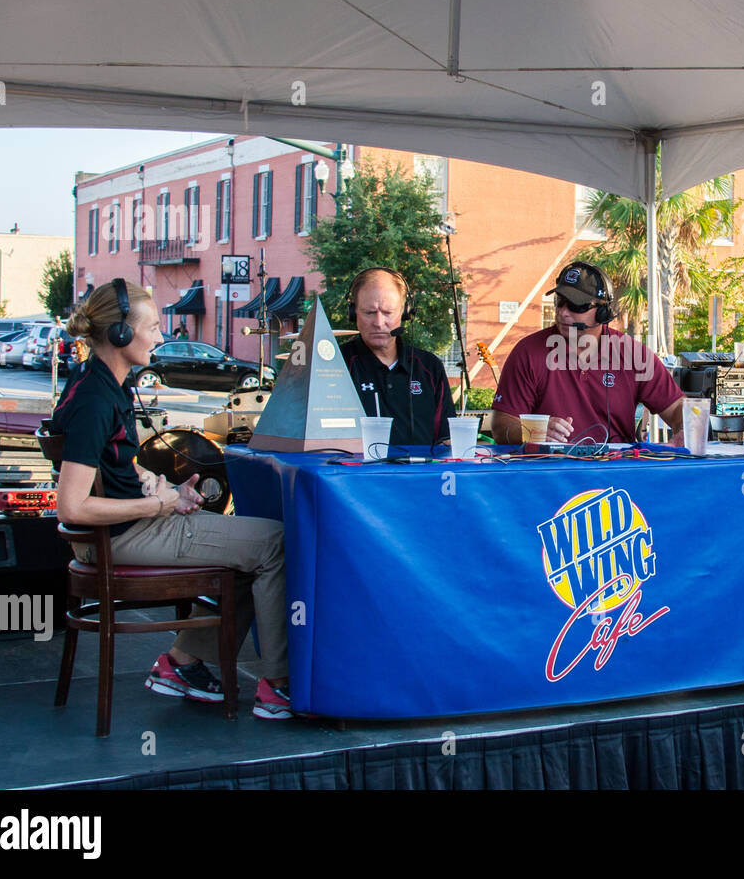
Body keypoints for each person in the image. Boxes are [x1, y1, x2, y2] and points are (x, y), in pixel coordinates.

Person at [52, 278, 291, 720]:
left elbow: (111, 459)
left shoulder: (100, 382)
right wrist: (157, 506)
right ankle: (278, 686)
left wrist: (158, 485)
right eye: (154, 326)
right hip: (120, 535)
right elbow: (72, 506)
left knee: (250, 549)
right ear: (119, 333)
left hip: (130, 525)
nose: (162, 337)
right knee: (273, 542)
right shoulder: (95, 400)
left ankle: (182, 664)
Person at [490, 261, 684, 445]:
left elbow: (676, 408)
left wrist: (684, 431)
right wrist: (532, 431)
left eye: (577, 305)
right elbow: (501, 426)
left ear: (603, 313)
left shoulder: (634, 354)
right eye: (560, 302)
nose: (563, 312)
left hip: (617, 473)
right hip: (547, 473)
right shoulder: (528, 352)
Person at [339, 267, 457, 446]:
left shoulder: (429, 367)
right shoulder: (335, 365)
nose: (379, 323)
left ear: (405, 313)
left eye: (388, 313)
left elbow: (446, 439)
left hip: (419, 473)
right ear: (353, 313)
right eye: (369, 312)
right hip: (355, 473)